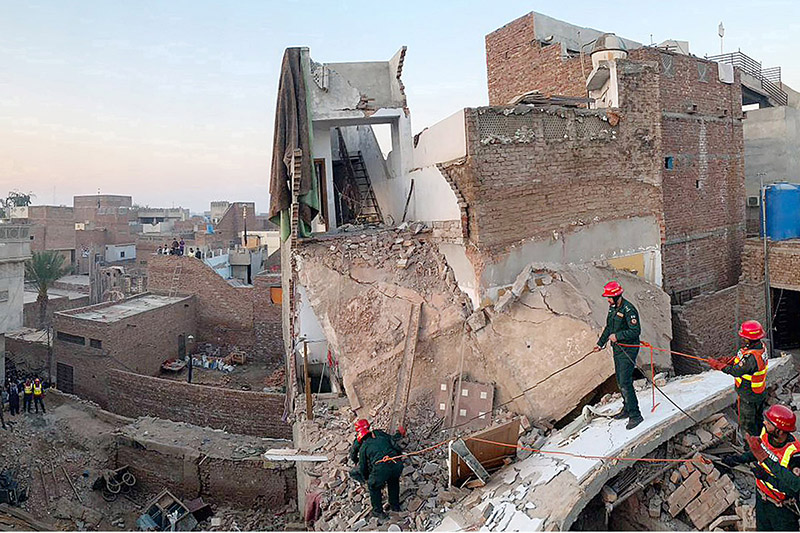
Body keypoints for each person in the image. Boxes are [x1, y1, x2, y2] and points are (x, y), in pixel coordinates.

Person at [723, 405, 800, 531]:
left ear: (779, 431)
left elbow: (793, 488)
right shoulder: (766, 433)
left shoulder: (794, 454)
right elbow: (758, 451)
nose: (764, 423)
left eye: (769, 422)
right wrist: (737, 459)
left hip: (782, 510)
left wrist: (767, 478)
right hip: (762, 500)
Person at [592, 281, 643, 430]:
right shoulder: (613, 308)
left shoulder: (629, 310)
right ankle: (626, 409)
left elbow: (635, 331)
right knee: (620, 381)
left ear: (617, 296)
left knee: (625, 382)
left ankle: (635, 415)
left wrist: (618, 336)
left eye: (609, 297)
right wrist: (600, 343)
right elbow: (609, 328)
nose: (607, 300)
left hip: (629, 349)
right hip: (618, 349)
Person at [708, 320, 768, 438]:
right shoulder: (758, 347)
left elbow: (736, 371)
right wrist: (728, 360)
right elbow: (742, 360)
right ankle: (762, 440)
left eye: (744, 337)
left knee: (748, 425)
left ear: (749, 338)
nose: (743, 338)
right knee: (758, 420)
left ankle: (751, 449)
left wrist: (717, 365)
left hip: (749, 395)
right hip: (758, 392)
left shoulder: (751, 358)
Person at [357, 420, 407, 520]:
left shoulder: (363, 447)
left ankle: (378, 512)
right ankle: (395, 506)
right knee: (393, 481)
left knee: (373, 486)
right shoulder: (381, 436)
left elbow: (363, 467)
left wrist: (366, 478)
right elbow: (395, 444)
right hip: (396, 463)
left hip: (382, 467)